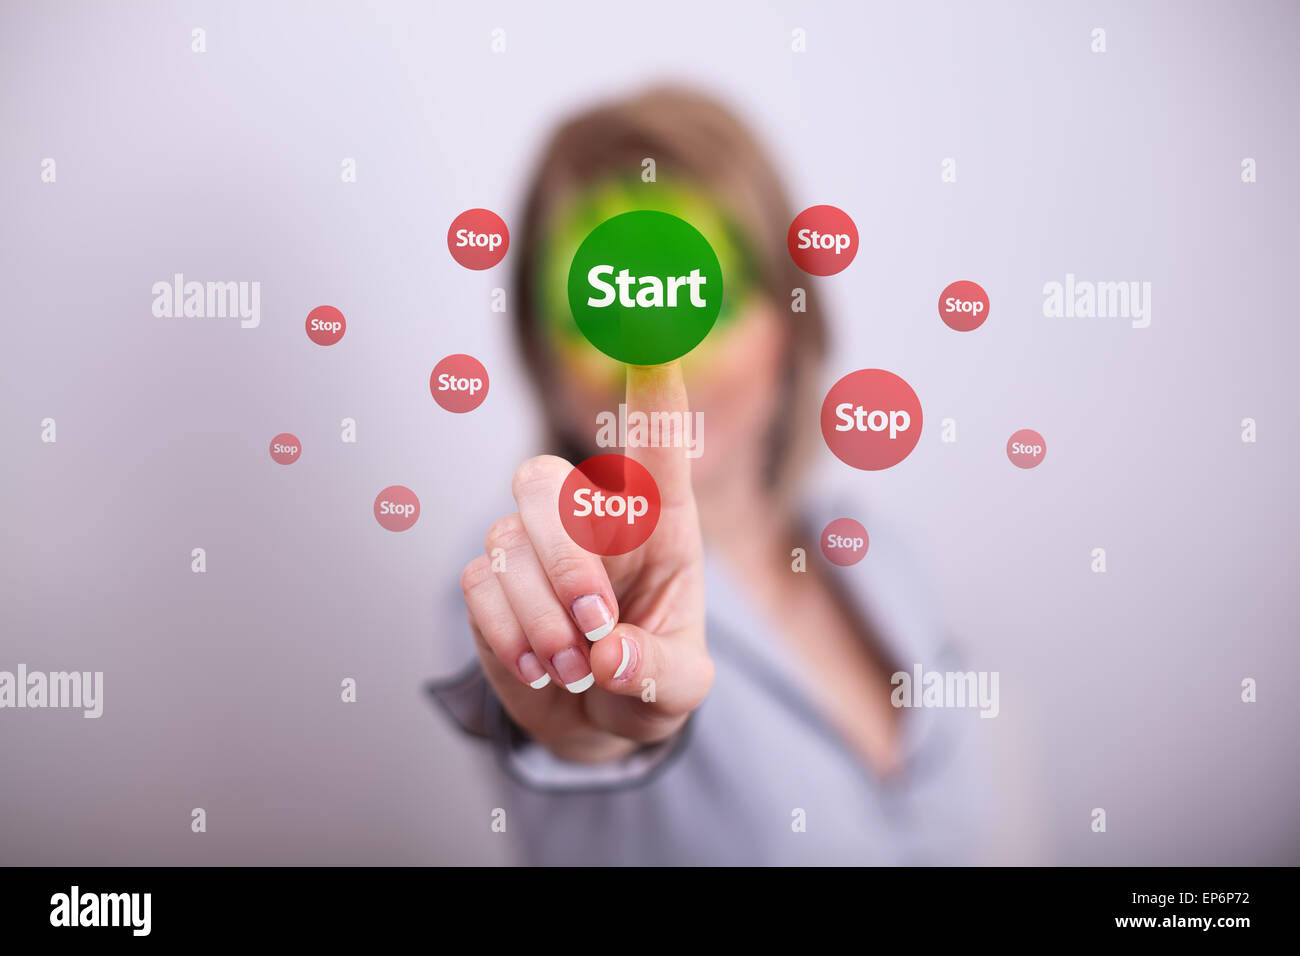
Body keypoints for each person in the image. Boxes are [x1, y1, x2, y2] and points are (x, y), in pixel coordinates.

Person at [430, 86, 990, 865]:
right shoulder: (527, 571)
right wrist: (593, 716)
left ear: (788, 320)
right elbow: (567, 730)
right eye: (609, 301)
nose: (664, 352)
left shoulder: (882, 555)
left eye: (702, 294)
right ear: (542, 355)